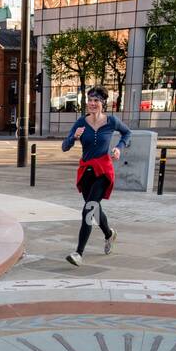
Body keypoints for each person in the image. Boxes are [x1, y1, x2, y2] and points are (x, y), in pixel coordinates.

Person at [62, 85, 131, 266]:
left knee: (88, 209)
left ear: (103, 103)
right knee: (94, 209)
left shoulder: (111, 122)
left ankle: (78, 253)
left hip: (103, 170)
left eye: (96, 101)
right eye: (90, 100)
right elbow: (64, 146)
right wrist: (73, 138)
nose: (92, 103)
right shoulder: (81, 123)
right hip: (86, 172)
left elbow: (127, 133)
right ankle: (109, 234)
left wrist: (119, 148)